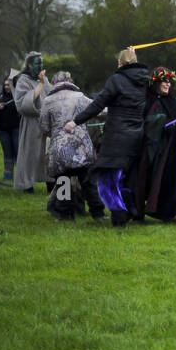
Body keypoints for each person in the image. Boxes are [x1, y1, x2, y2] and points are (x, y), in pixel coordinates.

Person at [66, 46, 150, 227]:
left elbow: (98, 104)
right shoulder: (144, 80)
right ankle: (132, 209)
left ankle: (120, 215)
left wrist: (76, 121)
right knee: (124, 176)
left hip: (117, 137)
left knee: (105, 178)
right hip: (136, 136)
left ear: (120, 63)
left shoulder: (116, 80)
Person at [39, 71, 105, 221]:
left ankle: (65, 214)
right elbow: (99, 110)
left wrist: (55, 134)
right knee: (88, 181)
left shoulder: (48, 100)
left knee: (63, 181)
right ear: (70, 81)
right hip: (81, 146)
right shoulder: (80, 97)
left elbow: (43, 126)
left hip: (59, 148)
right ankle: (98, 213)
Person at [132, 66, 176, 225]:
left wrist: (173, 126)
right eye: (165, 81)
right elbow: (144, 120)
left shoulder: (171, 99)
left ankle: (173, 212)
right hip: (148, 148)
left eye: (169, 81)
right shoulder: (147, 98)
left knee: (168, 178)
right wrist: (162, 121)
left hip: (167, 149)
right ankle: (138, 213)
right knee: (143, 177)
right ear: (156, 83)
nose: (168, 84)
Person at [12, 52, 49, 192]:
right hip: (31, 124)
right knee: (29, 155)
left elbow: (51, 96)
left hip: (45, 124)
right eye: (37, 63)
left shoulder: (45, 79)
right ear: (29, 65)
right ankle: (26, 185)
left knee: (46, 156)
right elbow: (23, 104)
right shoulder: (23, 80)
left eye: (41, 63)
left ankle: (50, 183)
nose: (40, 66)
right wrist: (40, 84)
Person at [0, 77, 20, 182]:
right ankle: (8, 176)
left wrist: (6, 106)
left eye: (9, 85)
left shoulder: (17, 97)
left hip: (15, 129)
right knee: (7, 153)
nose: (7, 87)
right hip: (3, 130)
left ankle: (19, 176)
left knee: (17, 152)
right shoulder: (0, 97)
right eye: (5, 85)